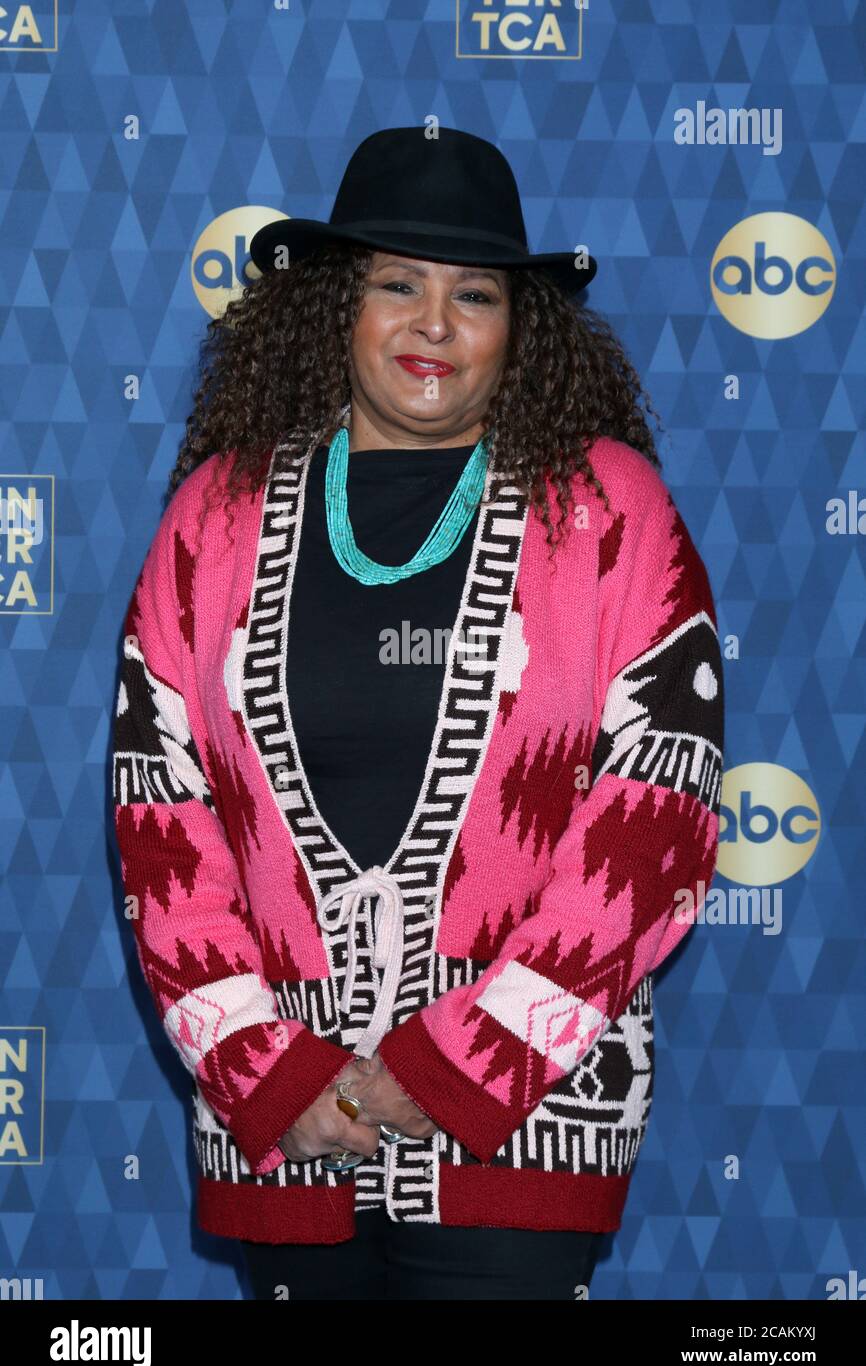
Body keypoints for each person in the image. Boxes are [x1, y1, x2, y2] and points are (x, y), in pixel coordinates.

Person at [111, 125, 724, 1300]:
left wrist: (454, 1068)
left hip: (526, 1140)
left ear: (518, 329)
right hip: (288, 1144)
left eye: (472, 293)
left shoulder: (608, 512)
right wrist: (270, 1076)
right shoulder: (215, 517)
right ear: (338, 307)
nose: (431, 324)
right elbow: (160, 815)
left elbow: (657, 819)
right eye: (397, 283)